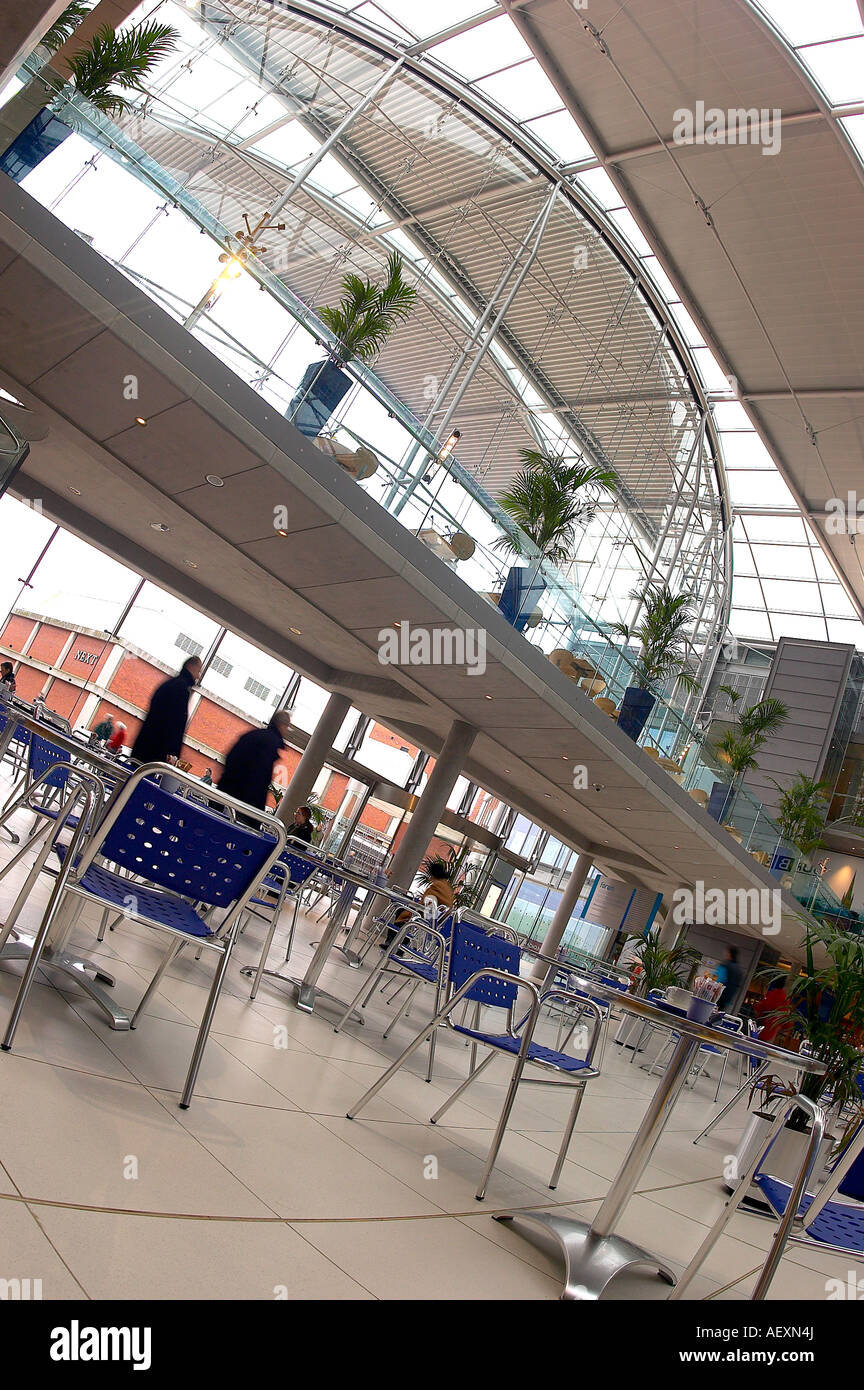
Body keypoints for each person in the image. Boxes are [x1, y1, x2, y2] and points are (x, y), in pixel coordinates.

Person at [217, 710, 293, 813]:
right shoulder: (270, 743)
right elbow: (260, 779)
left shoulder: (254, 735)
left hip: (225, 791)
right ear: (282, 725)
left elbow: (230, 758)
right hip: (243, 803)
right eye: (286, 727)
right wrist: (255, 812)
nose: (286, 731)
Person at [130, 656, 201, 766]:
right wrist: (172, 754)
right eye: (198, 671)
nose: (198, 676)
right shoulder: (181, 689)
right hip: (155, 751)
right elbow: (175, 725)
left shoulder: (170, 684)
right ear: (191, 667)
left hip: (145, 745)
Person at [385, 859, 456, 948]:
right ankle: (401, 946)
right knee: (409, 917)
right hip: (437, 921)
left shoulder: (436, 886)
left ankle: (390, 942)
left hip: (428, 918)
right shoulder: (447, 888)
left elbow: (425, 904)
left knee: (401, 911)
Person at [716, 945, 743, 1011]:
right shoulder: (739, 970)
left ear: (729, 953)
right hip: (727, 1000)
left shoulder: (725, 966)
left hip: (717, 998)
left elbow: (719, 981)